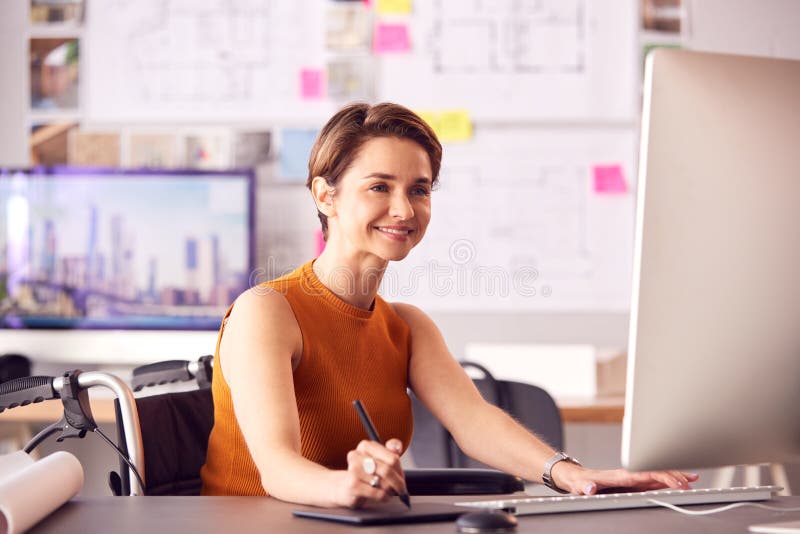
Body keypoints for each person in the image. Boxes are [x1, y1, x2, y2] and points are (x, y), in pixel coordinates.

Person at [200, 102, 698, 507]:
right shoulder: (266, 311)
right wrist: (345, 487)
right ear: (325, 195)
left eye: (419, 190)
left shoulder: (407, 326)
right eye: (379, 187)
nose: (404, 209)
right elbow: (277, 468)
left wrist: (572, 475)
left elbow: (474, 422)